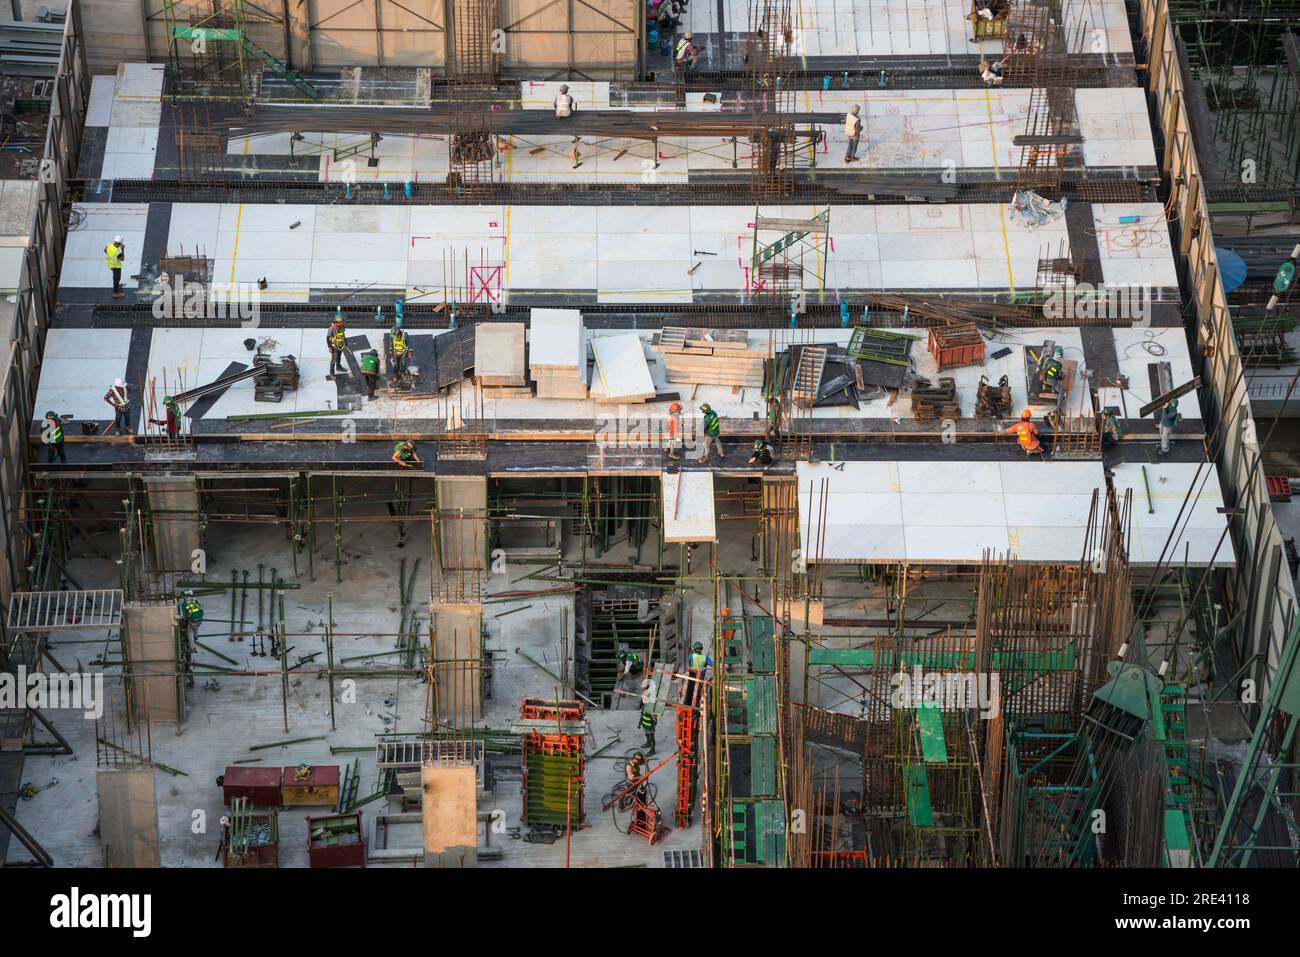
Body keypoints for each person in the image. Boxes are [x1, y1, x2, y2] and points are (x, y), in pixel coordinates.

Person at [327, 312, 347, 380]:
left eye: (341, 322)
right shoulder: (331, 329)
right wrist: (330, 347)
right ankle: (331, 373)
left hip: (340, 345)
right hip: (334, 346)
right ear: (336, 322)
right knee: (334, 359)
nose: (341, 323)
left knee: (339, 357)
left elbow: (343, 335)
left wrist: (345, 342)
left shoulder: (342, 326)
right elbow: (328, 338)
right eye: (340, 322)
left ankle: (338, 366)